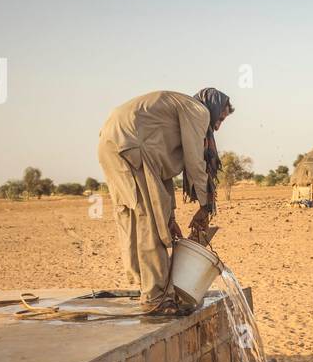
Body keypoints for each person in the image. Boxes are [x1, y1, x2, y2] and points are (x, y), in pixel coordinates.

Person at [97, 88, 233, 312]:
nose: (217, 126)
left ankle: (149, 287)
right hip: (131, 147)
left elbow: (164, 177)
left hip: (114, 144)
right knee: (149, 221)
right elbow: (195, 160)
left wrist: (170, 217)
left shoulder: (174, 111)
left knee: (140, 215)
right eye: (220, 118)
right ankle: (156, 299)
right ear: (213, 107)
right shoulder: (197, 110)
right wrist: (205, 207)